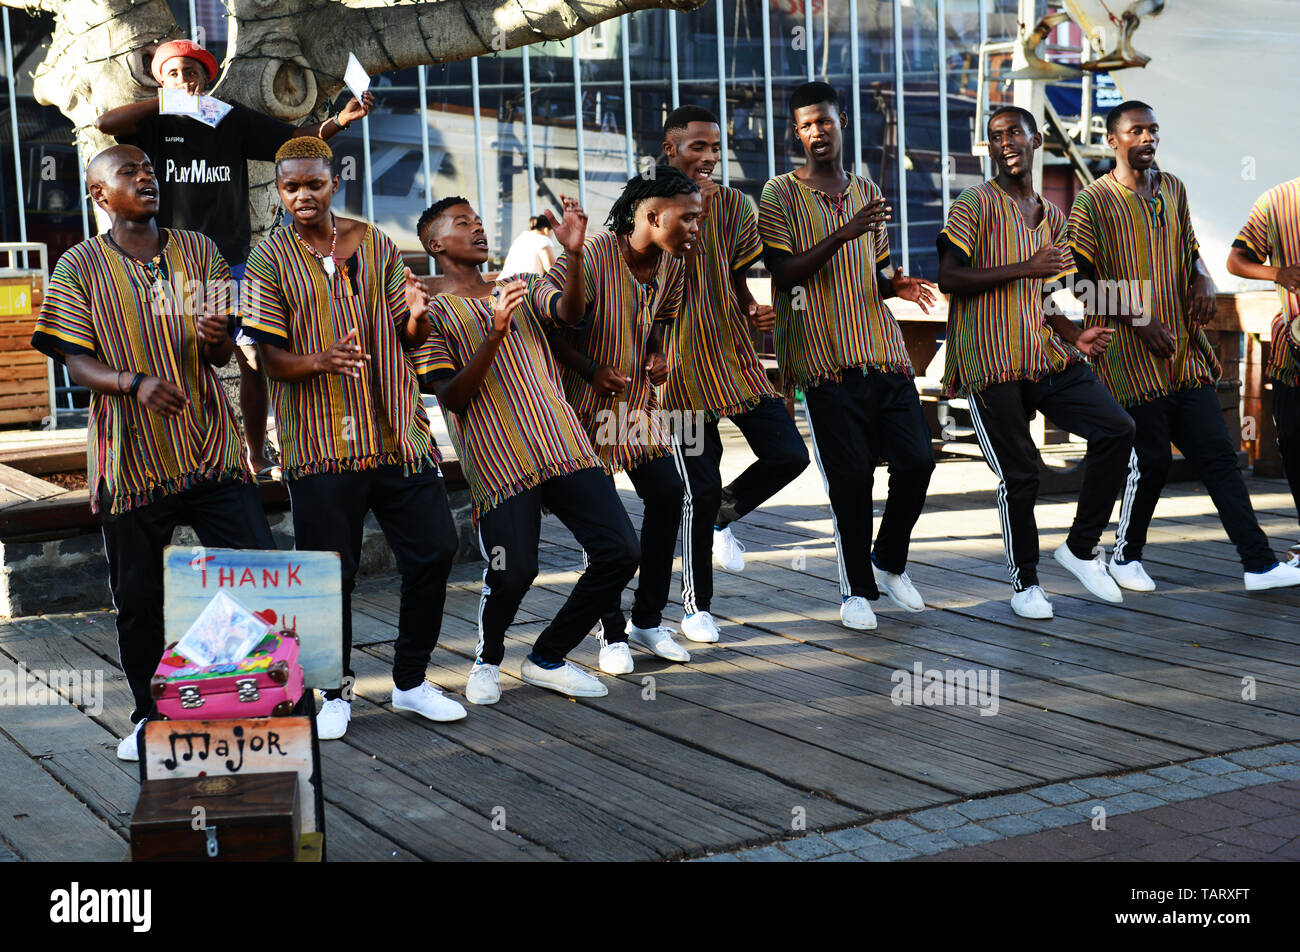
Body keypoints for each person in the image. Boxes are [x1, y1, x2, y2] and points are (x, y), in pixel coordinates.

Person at [30, 144, 275, 761]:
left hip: (210, 446)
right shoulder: (78, 267)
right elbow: (75, 361)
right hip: (133, 459)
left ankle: (222, 693)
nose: (145, 178)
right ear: (98, 194)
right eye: (128, 172)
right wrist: (133, 383)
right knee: (139, 599)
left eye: (149, 170)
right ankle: (149, 713)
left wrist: (215, 338)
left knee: (255, 571)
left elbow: (219, 356)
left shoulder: (200, 252)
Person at [240, 138, 464, 740]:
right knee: (328, 574)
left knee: (436, 550)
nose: (303, 196)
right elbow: (270, 360)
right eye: (291, 187)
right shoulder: (269, 259)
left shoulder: (378, 245)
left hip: (398, 437)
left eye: (313, 184)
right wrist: (321, 360)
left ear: (333, 182)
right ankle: (332, 690)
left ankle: (411, 682)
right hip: (320, 448)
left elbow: (409, 334)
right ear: (280, 192)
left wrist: (416, 313)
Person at [96, 39, 374, 483]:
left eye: (192, 73)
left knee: (252, 357)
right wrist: (163, 102)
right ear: (161, 80)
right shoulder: (150, 124)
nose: (185, 80)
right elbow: (107, 122)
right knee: (181, 356)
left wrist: (340, 120)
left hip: (231, 261)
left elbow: (293, 142)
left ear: (206, 78)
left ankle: (254, 454)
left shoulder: (226, 118)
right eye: (173, 73)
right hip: (178, 265)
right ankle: (185, 454)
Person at [411, 195, 644, 702]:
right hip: (501, 461)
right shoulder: (430, 314)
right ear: (434, 243)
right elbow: (452, 395)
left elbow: (571, 312)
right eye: (462, 223)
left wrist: (577, 254)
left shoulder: (521, 287)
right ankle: (487, 659)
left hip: (563, 444)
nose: (477, 228)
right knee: (513, 571)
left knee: (622, 552)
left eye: (478, 220)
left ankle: (547, 656)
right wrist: (494, 332)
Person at [1067, 101, 1300, 592]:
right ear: (1114, 141)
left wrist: (1201, 278)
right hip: (1129, 358)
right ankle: (1124, 555)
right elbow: (1080, 283)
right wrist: (1140, 318)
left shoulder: (1172, 188)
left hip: (1182, 353)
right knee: (1149, 460)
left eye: (1153, 130)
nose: (1148, 138)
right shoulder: (1093, 202)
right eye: (1136, 131)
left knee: (1218, 456)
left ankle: (1258, 564)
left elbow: (1191, 251)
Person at [936, 105, 1135, 619]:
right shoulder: (974, 203)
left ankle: (1079, 547)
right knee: (1021, 474)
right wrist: (1025, 266)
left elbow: (1047, 294)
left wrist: (1076, 334)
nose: (1005, 143)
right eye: (995, 136)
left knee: (1116, 429)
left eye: (1014, 133)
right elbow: (950, 279)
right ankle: (1025, 584)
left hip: (1044, 354)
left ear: (1036, 138)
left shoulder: (1052, 214)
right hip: (987, 359)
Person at [758, 82, 937, 631]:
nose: (817, 132)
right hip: (823, 357)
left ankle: (889, 559)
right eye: (807, 124)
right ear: (796, 132)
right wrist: (845, 231)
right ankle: (856, 590)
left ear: (841, 124)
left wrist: (896, 285)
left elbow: (876, 270)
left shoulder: (866, 189)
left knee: (918, 461)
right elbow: (785, 276)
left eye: (826, 121)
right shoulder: (778, 195)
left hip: (882, 350)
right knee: (852, 477)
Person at [659, 105, 809, 641]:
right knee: (696, 488)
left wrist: (750, 306)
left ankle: (725, 516)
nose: (708, 156)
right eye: (697, 146)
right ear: (669, 146)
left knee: (790, 454)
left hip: (733, 359)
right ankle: (696, 608)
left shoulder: (734, 206)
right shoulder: (645, 202)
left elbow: (738, 274)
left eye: (714, 147)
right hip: (675, 371)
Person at [544, 168, 701, 657]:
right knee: (608, 525)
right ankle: (609, 631)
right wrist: (590, 368)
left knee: (669, 492)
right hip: (579, 409)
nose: (696, 228)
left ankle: (647, 621)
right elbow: (551, 324)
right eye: (688, 218)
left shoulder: (674, 263)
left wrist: (657, 353)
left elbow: (661, 320)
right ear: (652, 215)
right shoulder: (590, 256)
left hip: (633, 409)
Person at [1225, 177, 1300, 561]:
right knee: (1293, 444)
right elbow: (1236, 260)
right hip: (1295, 352)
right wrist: (1279, 274)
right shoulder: (1278, 201)